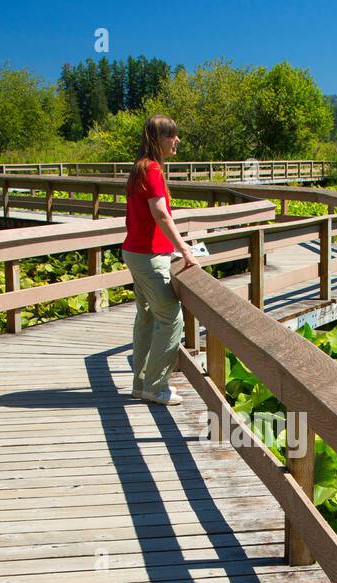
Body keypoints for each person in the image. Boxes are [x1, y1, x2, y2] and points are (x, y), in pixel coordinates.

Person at [121, 115, 200, 405]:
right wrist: (185, 250)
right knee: (171, 318)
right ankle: (155, 387)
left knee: (148, 317)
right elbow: (160, 213)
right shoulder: (152, 169)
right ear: (159, 139)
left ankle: (141, 384)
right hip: (148, 256)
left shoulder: (139, 167)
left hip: (135, 252)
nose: (177, 140)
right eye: (172, 135)